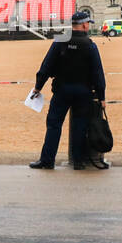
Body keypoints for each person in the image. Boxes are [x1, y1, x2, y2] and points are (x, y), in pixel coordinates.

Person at [28, 9, 107, 170]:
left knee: (54, 125)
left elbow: (46, 66)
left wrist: (38, 87)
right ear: (84, 25)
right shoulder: (90, 45)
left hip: (62, 90)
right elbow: (98, 73)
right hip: (83, 92)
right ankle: (78, 162)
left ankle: (47, 160)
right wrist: (102, 96)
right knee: (80, 126)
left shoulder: (60, 40)